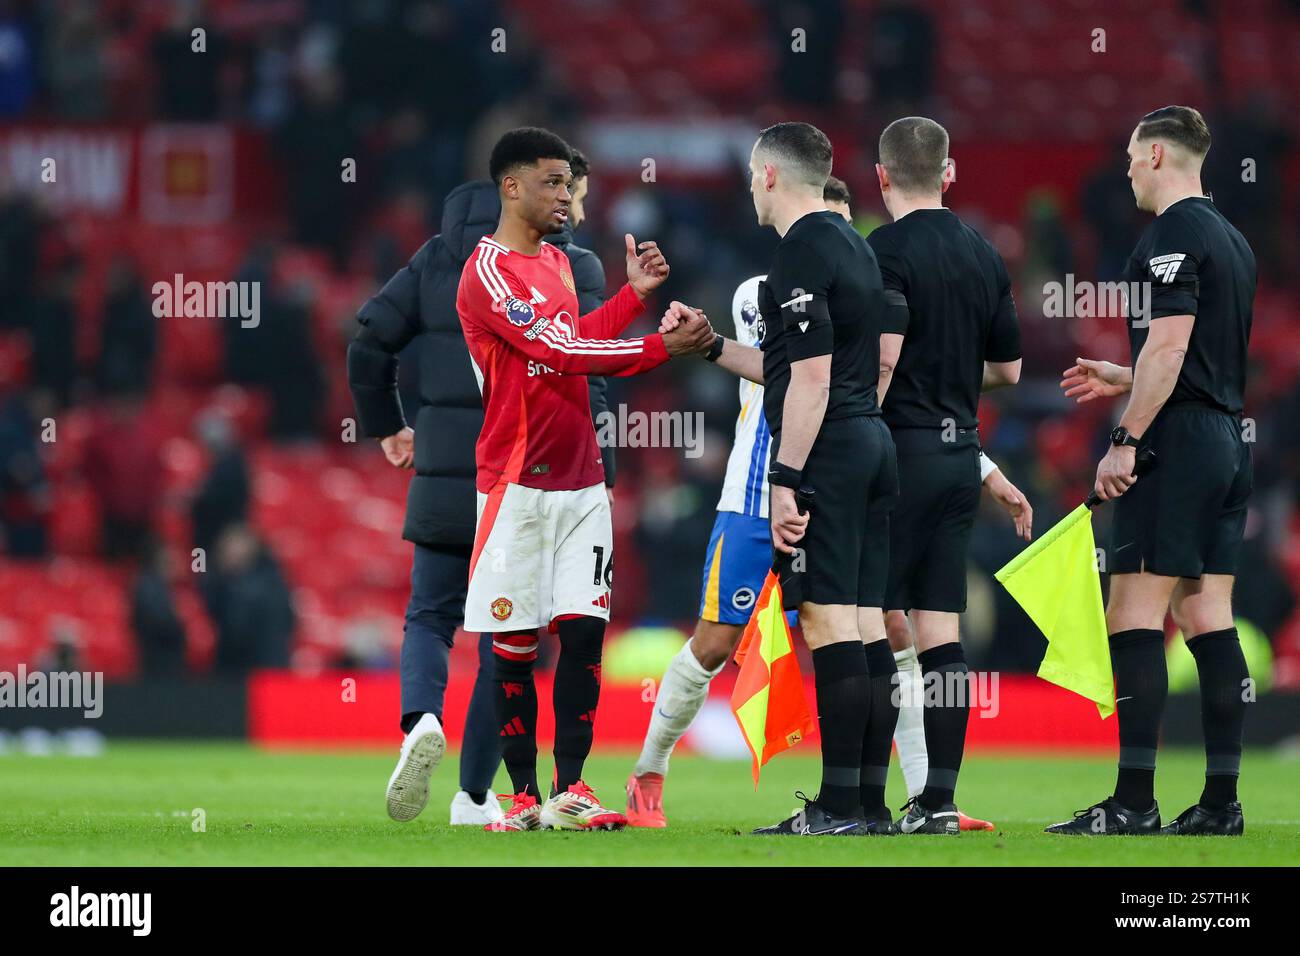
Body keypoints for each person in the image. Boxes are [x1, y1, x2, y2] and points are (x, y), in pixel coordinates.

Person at [625, 175, 1028, 830]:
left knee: (887, 628)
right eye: (832, 223)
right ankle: (649, 769)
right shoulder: (767, 290)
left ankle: (925, 798)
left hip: (839, 483)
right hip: (761, 492)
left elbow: (896, 396)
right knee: (715, 643)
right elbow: (787, 370)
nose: (843, 240)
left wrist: (981, 465)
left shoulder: (869, 291)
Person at [351, 150, 620, 826]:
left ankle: (419, 723)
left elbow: (367, 342)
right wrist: (598, 477)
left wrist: (389, 425)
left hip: (445, 472)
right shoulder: (570, 264)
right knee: (509, 637)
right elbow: (593, 372)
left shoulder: (435, 259)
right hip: (532, 482)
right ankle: (475, 795)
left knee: (430, 615)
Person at [456, 127, 714, 832]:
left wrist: (632, 299)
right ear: (510, 187)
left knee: (585, 634)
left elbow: (577, 334)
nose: (566, 195)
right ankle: (521, 798)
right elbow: (562, 351)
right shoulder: (487, 273)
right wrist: (663, 345)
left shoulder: (560, 265)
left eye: (569, 183)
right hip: (516, 484)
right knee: (514, 646)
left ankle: (570, 789)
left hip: (580, 479)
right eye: (551, 182)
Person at [673, 122, 898, 836]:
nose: (747, 188)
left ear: (770, 175)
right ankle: (866, 803)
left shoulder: (798, 254)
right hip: (872, 444)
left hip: (827, 453)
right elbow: (802, 365)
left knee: (829, 623)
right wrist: (711, 346)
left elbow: (808, 377)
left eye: (750, 175)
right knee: (864, 626)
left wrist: (787, 476)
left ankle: (834, 806)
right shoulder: (855, 246)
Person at [1050, 106, 1255, 837]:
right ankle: (1221, 803)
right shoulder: (1231, 238)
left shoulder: (1170, 236)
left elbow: (1170, 354)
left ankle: (1133, 802)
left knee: (1131, 615)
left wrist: (1125, 437)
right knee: (1207, 615)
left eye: (1135, 157)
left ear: (1160, 155)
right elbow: (1192, 355)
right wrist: (1124, 373)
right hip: (1227, 439)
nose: (1128, 170)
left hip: (1177, 442)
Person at [868, 117, 1025, 834]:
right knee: (940, 631)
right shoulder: (986, 254)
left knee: (865, 622)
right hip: (960, 458)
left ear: (881, 176)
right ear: (949, 173)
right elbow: (1009, 370)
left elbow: (883, 361)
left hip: (894, 454)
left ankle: (858, 797)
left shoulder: (882, 250)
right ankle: (937, 801)